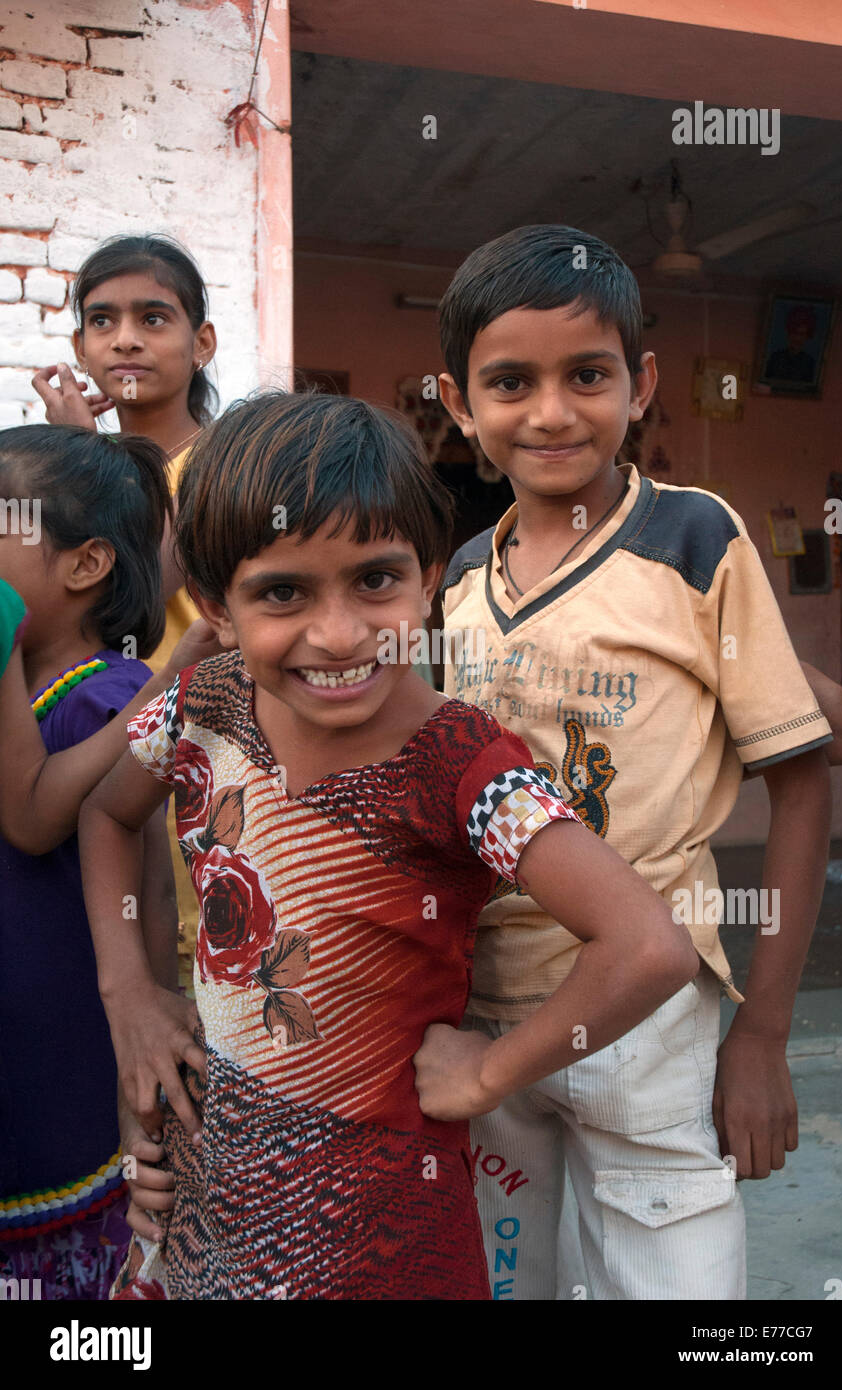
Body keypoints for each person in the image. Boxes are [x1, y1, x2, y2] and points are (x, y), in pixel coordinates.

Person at [78, 390, 697, 1301]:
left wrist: (491, 1069)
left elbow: (650, 946)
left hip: (382, 1240)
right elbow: (104, 812)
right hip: (206, 1204)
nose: (338, 634)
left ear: (429, 580)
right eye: (282, 592)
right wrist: (129, 989)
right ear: (213, 604)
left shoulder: (462, 764)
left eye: (375, 581)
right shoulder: (198, 706)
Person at [433, 224, 833, 1300]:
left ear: (642, 384)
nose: (552, 410)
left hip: (649, 1017)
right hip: (490, 1011)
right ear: (459, 403)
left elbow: (798, 778)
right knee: (506, 1275)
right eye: (510, 381)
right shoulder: (463, 578)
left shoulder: (694, 540)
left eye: (588, 375)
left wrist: (762, 1031)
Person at [0, 425, 209, 1299]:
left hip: (64, 1064)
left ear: (83, 566)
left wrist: (173, 675)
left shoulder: (103, 698)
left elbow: (35, 819)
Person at [32, 234, 219, 999]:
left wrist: (81, 450)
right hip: (92, 758)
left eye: (153, 318)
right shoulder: (97, 469)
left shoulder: (219, 462)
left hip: (189, 752)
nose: (126, 339)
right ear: (79, 344)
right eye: (102, 322)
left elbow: (136, 593)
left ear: (201, 343)